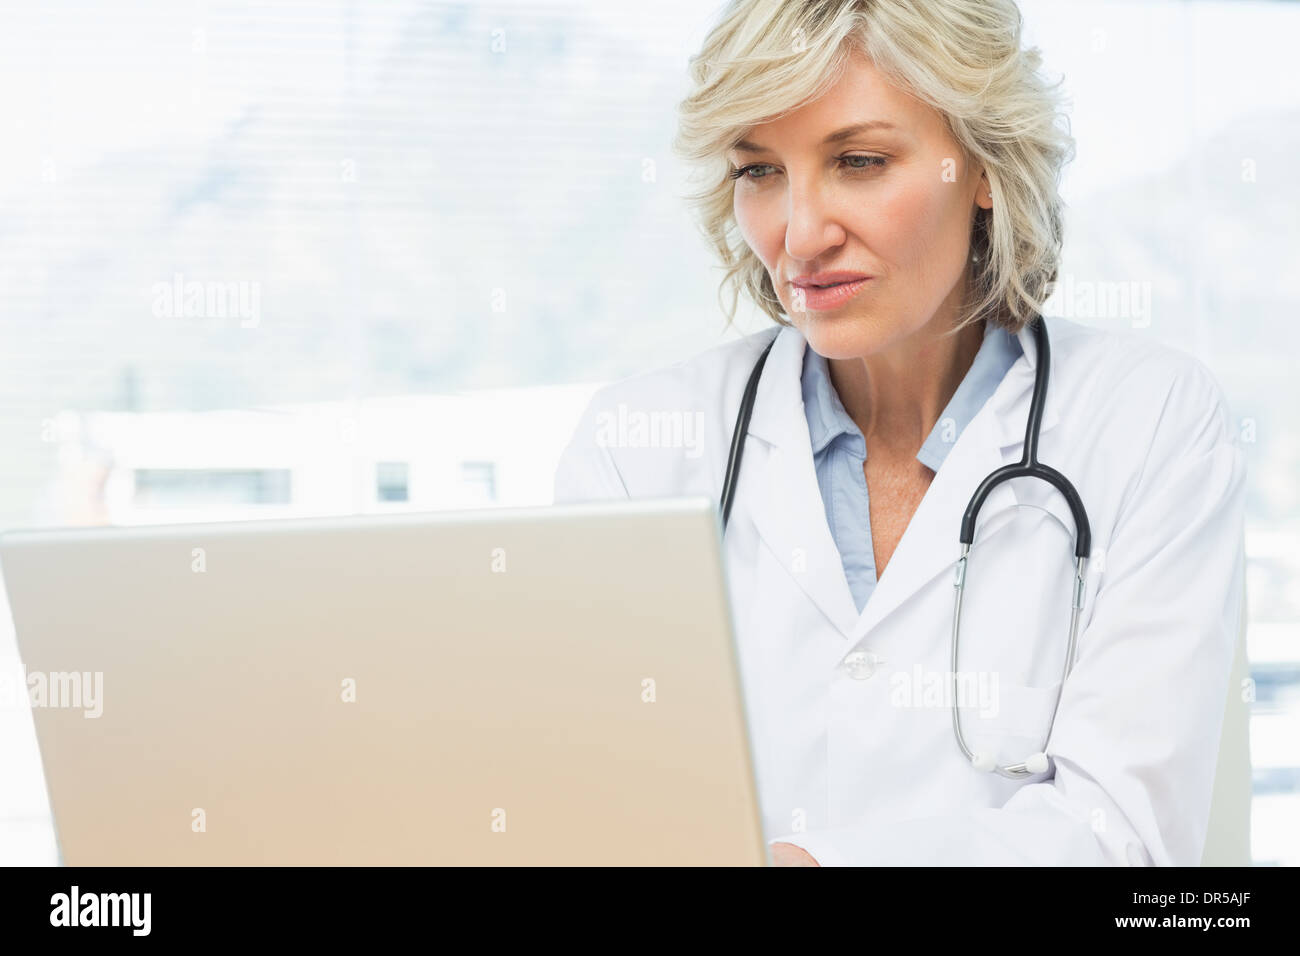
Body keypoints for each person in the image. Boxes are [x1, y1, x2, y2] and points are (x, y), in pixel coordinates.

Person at [553, 0, 1246, 866]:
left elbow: (1127, 839)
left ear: (985, 163)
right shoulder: (637, 449)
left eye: (859, 161)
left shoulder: (1150, 425)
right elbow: (589, 813)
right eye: (760, 171)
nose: (799, 236)